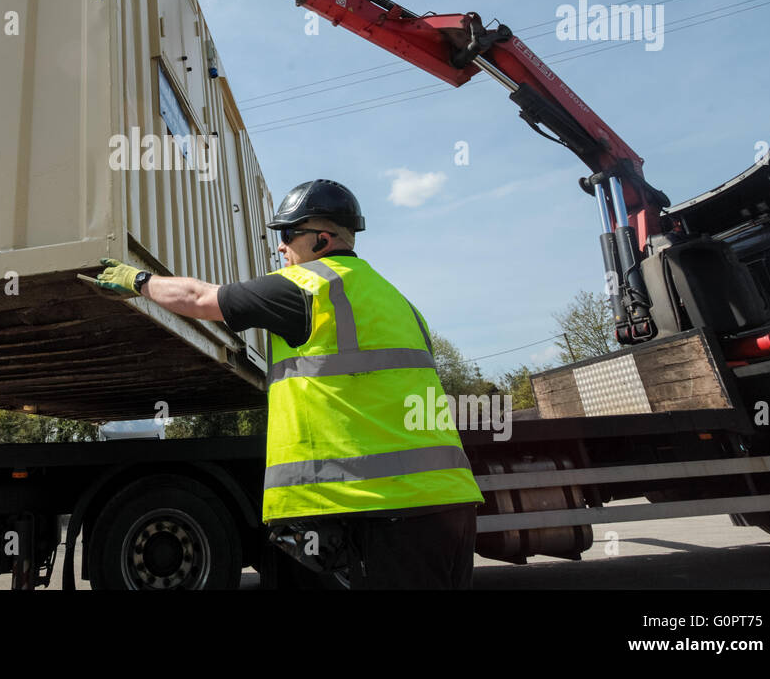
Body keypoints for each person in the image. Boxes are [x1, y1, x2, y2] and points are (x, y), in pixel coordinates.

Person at [93, 178, 484, 589]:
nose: (280, 246)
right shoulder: (400, 302)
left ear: (321, 240)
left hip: (384, 512)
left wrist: (137, 280)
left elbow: (198, 298)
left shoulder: (310, 288)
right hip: (448, 505)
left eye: (287, 234)